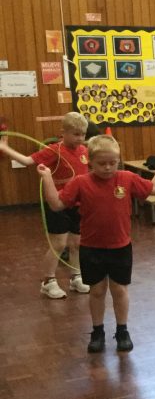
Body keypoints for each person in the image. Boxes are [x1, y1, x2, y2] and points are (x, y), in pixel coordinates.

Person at [38, 136, 155, 354]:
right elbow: (56, 204)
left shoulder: (127, 178)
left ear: (119, 159)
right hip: (92, 249)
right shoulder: (81, 182)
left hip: (120, 247)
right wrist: (47, 178)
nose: (108, 167)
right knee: (97, 291)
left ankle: (122, 330)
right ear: (90, 161)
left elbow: (154, 188)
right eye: (102, 163)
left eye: (113, 162)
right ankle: (97, 331)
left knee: (119, 290)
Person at [0, 111, 90, 299]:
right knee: (59, 243)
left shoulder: (84, 150)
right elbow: (26, 161)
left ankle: (76, 276)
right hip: (57, 203)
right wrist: (4, 147)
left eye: (83, 134)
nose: (80, 138)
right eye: (75, 134)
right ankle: (48, 281)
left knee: (77, 243)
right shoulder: (53, 150)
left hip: (78, 203)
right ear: (63, 132)